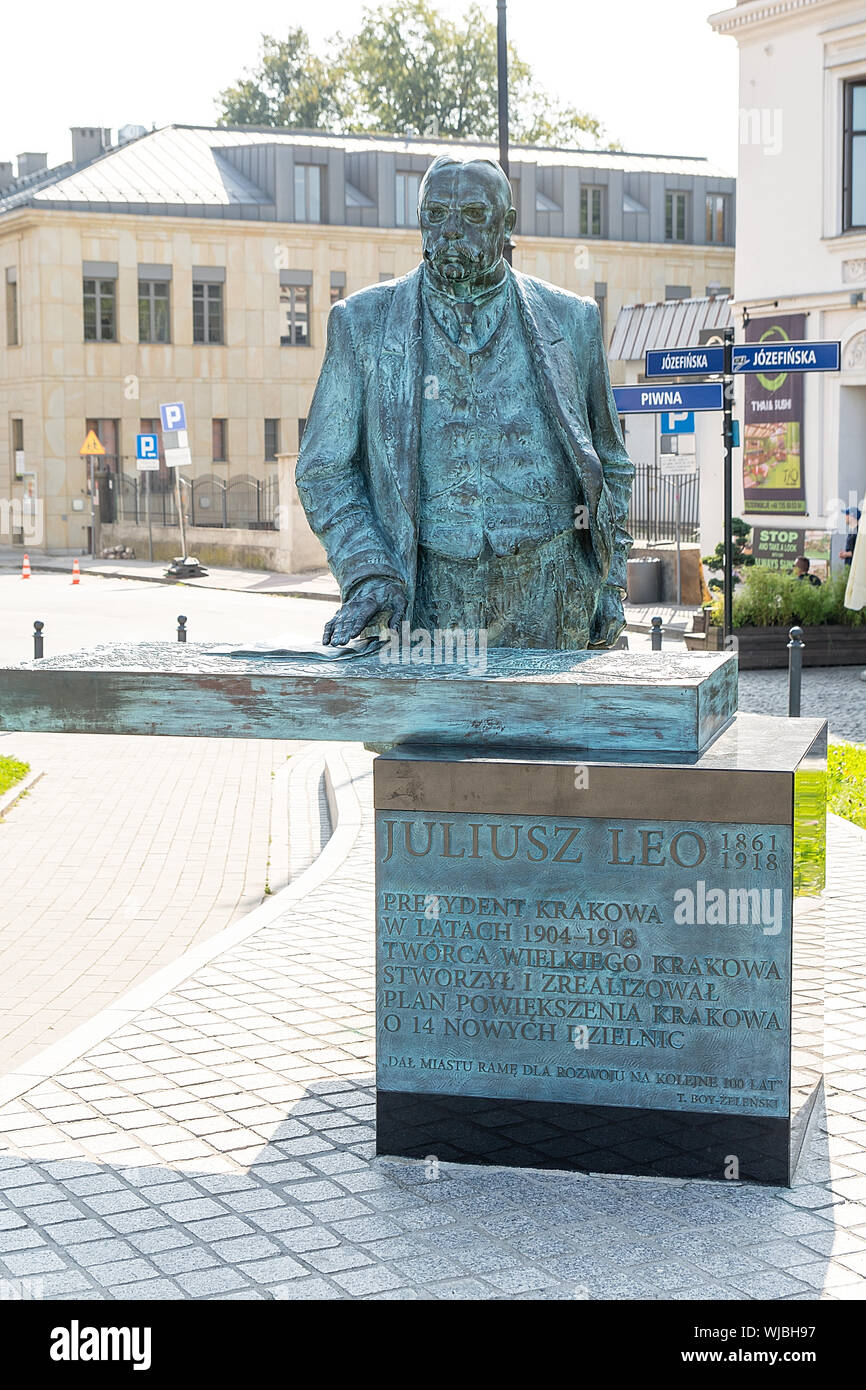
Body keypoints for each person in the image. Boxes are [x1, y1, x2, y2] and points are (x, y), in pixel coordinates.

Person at [295, 153, 633, 651]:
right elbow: (324, 469)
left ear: (507, 224)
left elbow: (611, 462)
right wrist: (367, 572)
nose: (451, 231)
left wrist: (611, 580)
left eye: (473, 215)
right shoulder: (361, 323)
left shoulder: (573, 320)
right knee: (424, 733)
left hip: (551, 591)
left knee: (545, 730)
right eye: (436, 214)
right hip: (421, 591)